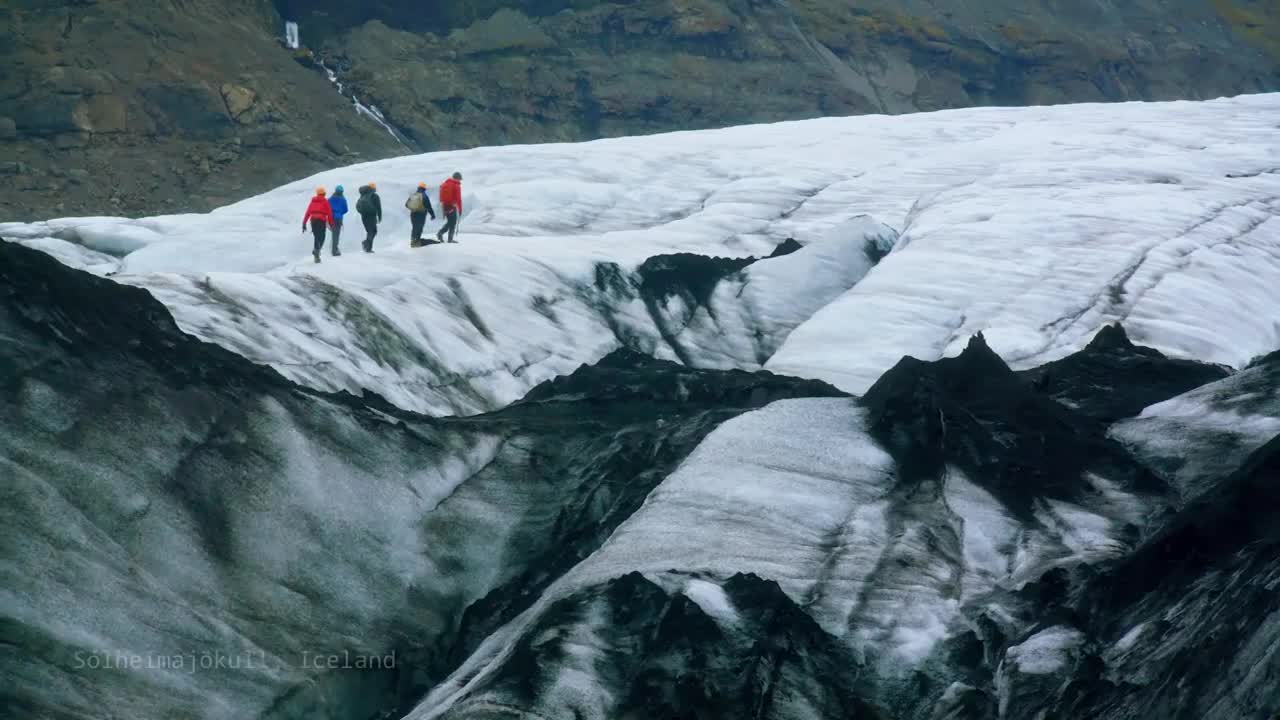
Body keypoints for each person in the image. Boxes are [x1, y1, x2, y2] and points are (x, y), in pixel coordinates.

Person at [301, 187, 334, 263]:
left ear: (317, 193)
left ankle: (316, 251)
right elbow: (329, 213)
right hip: (321, 220)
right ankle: (317, 251)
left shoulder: (313, 201)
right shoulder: (325, 201)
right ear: (324, 194)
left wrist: (304, 223)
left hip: (313, 220)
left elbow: (308, 212)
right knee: (322, 237)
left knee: (316, 236)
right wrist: (331, 224)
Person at [405, 182, 436, 247]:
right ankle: (416, 242)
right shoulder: (424, 196)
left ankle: (413, 240)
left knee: (414, 227)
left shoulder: (413, 195)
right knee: (419, 228)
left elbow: (406, 205)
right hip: (421, 215)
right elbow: (429, 207)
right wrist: (432, 215)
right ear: (424, 189)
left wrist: (414, 208)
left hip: (413, 214)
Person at [436, 171, 463, 244]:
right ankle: (449, 239)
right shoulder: (456, 185)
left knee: (450, 222)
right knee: (453, 222)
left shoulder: (446, 184)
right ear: (457, 178)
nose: (460, 181)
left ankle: (440, 233)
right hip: (451, 206)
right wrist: (460, 210)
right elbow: (458, 199)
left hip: (445, 206)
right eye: (460, 179)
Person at [356, 182, 382, 252]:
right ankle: (367, 246)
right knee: (372, 231)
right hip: (372, 216)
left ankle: (367, 246)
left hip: (364, 216)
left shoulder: (363, 195)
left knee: (369, 231)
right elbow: (378, 207)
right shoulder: (375, 196)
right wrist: (379, 217)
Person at [327, 185, 348, 256]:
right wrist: (340, 213)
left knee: (334, 234)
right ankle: (334, 250)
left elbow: (327, 208)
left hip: (331, 218)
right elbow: (346, 209)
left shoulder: (330, 199)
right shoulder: (343, 199)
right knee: (336, 234)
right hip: (339, 218)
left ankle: (334, 249)